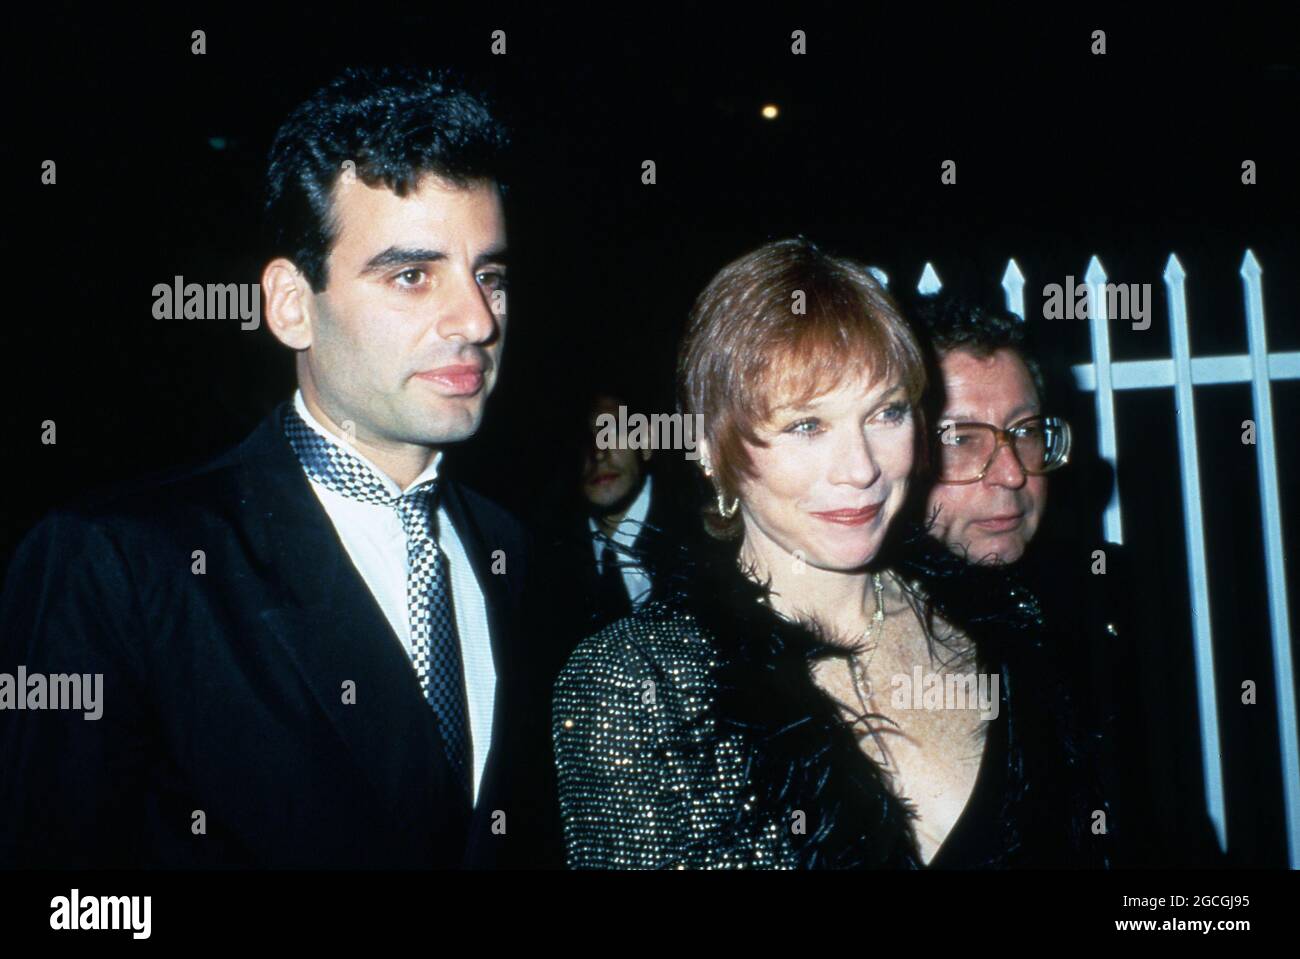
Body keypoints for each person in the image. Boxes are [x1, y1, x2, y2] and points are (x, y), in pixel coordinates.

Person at [0, 66, 550, 869]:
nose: (475, 319)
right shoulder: (116, 562)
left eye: (489, 276)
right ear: (291, 304)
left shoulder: (512, 551)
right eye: (411, 274)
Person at [551, 239, 1111, 869]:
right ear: (713, 450)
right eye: (807, 425)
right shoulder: (638, 685)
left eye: (886, 413)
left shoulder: (1007, 621)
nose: (861, 468)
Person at [910, 291, 1226, 867]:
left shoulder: (1105, 599)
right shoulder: (860, 629)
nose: (1011, 473)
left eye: (1025, 430)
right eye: (960, 439)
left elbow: (1168, 837)